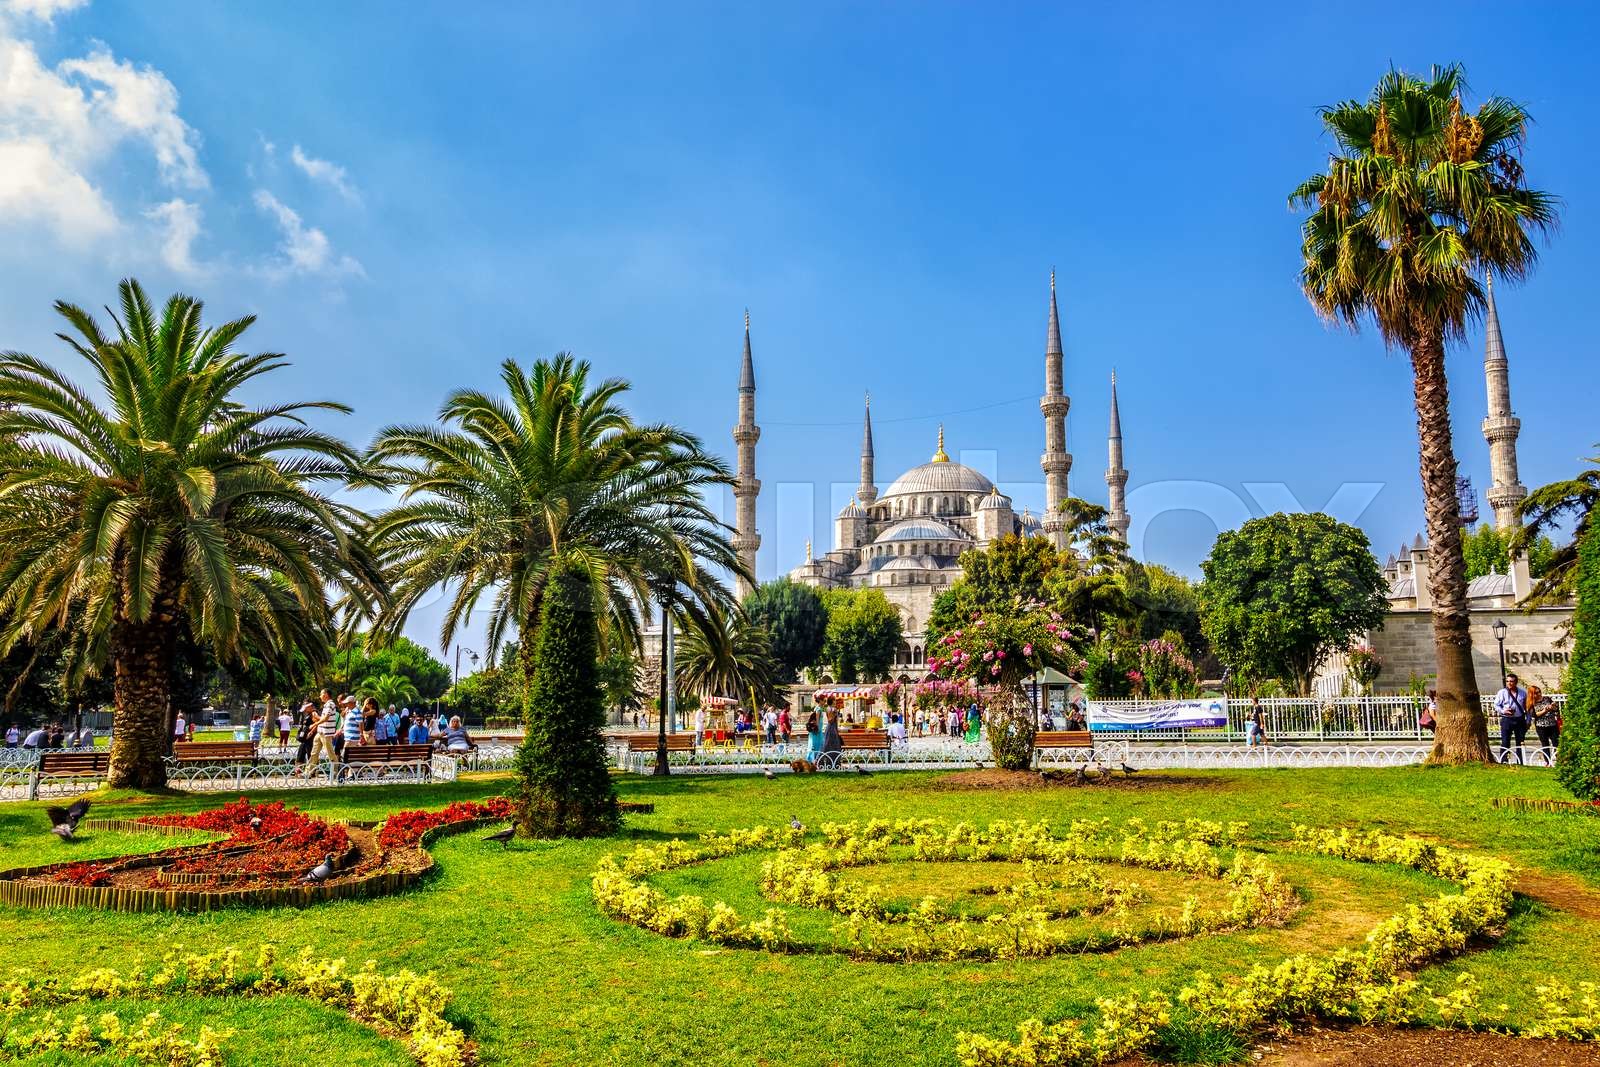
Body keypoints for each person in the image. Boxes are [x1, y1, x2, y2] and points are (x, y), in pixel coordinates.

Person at [1492, 673, 1529, 765]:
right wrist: (1503, 711)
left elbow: (1527, 707)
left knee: (1520, 741)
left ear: (1516, 682)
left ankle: (1520, 761)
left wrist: (1528, 720)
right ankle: (1504, 760)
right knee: (1505, 741)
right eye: (1507, 681)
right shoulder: (1502, 692)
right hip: (1506, 719)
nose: (1509, 683)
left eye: (1511, 681)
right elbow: (1496, 705)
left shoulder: (1522, 693)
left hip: (1519, 719)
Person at [305, 690, 340, 769]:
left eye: (321, 694)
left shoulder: (330, 704)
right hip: (320, 732)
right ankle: (308, 771)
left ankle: (335, 772)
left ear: (326, 695)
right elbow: (323, 719)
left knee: (330, 753)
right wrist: (314, 727)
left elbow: (326, 719)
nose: (320, 696)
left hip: (326, 733)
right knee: (314, 753)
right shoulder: (326, 705)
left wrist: (315, 723)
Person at [1529, 684, 1561, 767]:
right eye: (1536, 693)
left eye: (1539, 692)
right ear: (1532, 694)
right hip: (1541, 726)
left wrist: (1553, 707)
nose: (1539, 694)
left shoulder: (1547, 699)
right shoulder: (1531, 703)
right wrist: (1545, 710)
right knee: (1545, 744)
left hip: (1552, 724)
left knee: (1556, 743)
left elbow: (1556, 709)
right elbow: (1534, 715)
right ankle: (1547, 762)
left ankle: (1559, 760)